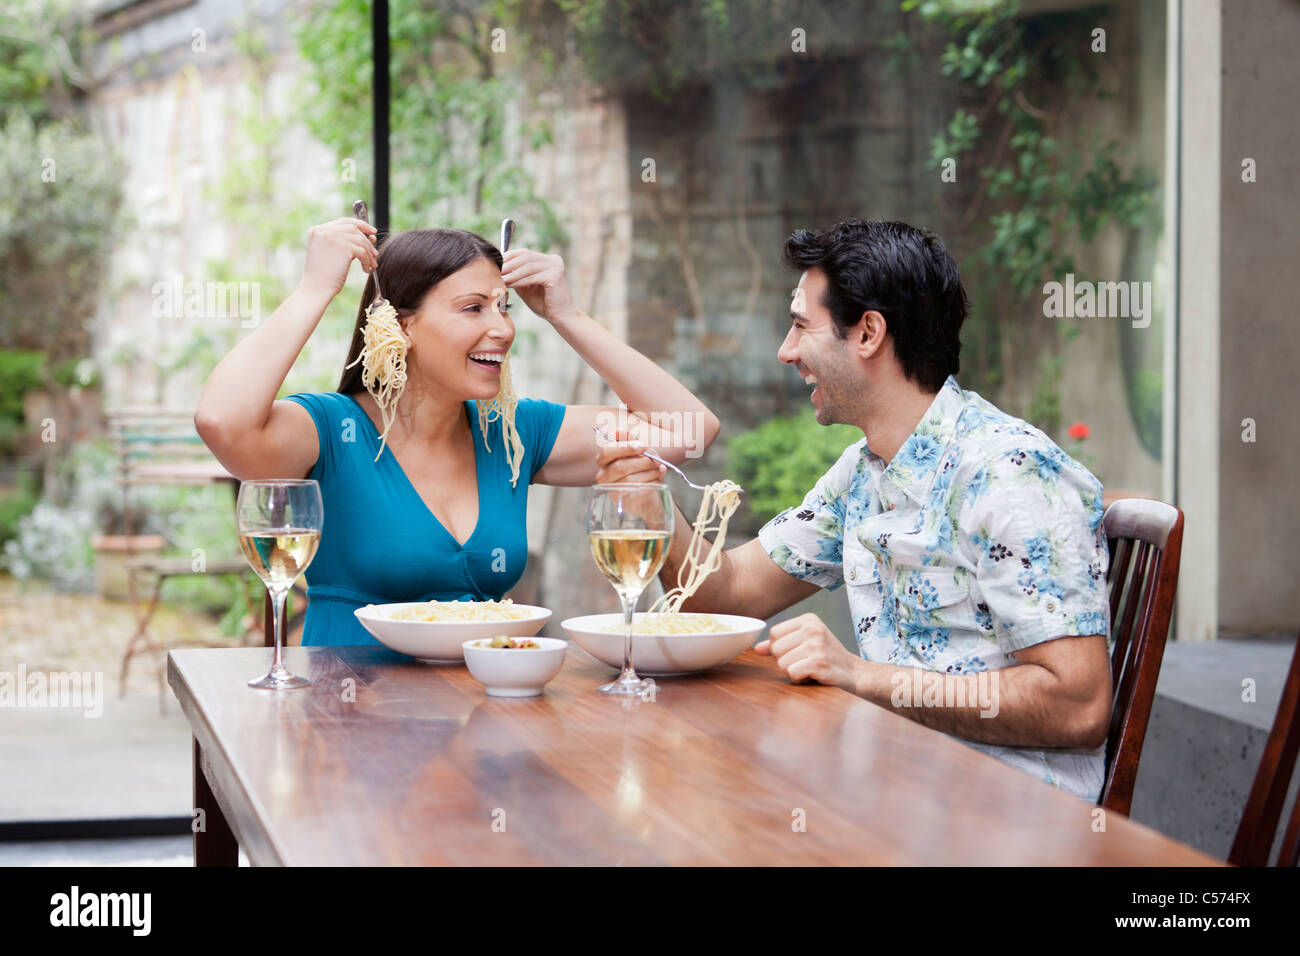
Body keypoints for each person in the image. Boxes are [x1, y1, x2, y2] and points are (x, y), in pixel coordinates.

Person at [597, 218, 1113, 802]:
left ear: (868, 333)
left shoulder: (1007, 473)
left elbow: (1079, 706)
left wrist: (861, 677)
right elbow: (721, 594)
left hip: (1004, 816)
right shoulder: (864, 472)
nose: (785, 351)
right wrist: (650, 494)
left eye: (799, 325)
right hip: (892, 787)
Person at [196, 216, 719, 645]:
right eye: (473, 308)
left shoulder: (513, 434)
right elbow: (224, 422)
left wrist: (568, 315)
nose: (504, 328)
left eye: (505, 308)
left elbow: (689, 430)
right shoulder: (331, 430)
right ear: (398, 327)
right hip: (347, 728)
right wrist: (316, 288)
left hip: (482, 726)